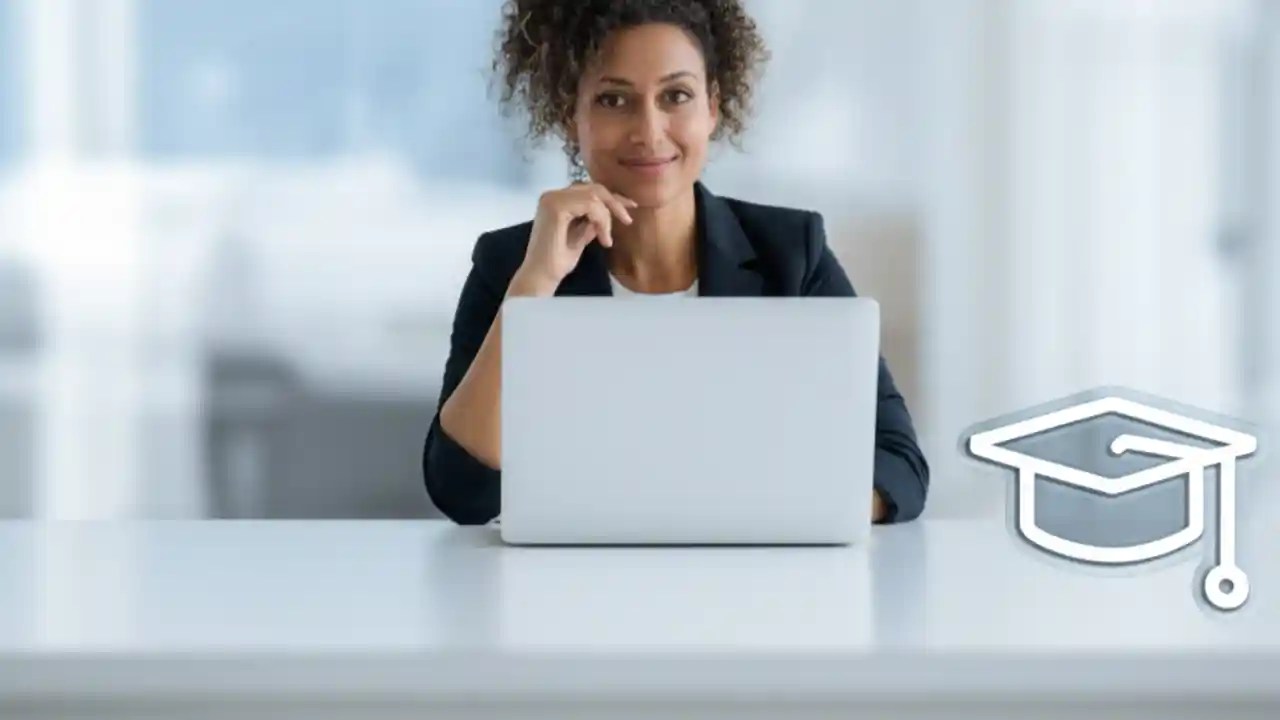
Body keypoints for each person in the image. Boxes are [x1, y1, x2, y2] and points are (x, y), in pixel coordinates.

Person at [423, 0, 930, 525]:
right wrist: (534, 286)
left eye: (676, 96)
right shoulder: (510, 264)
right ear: (568, 114)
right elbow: (462, 491)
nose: (649, 130)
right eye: (614, 99)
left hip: (750, 587)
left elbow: (900, 466)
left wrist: (763, 513)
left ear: (712, 106)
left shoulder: (792, 251)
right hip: (569, 586)